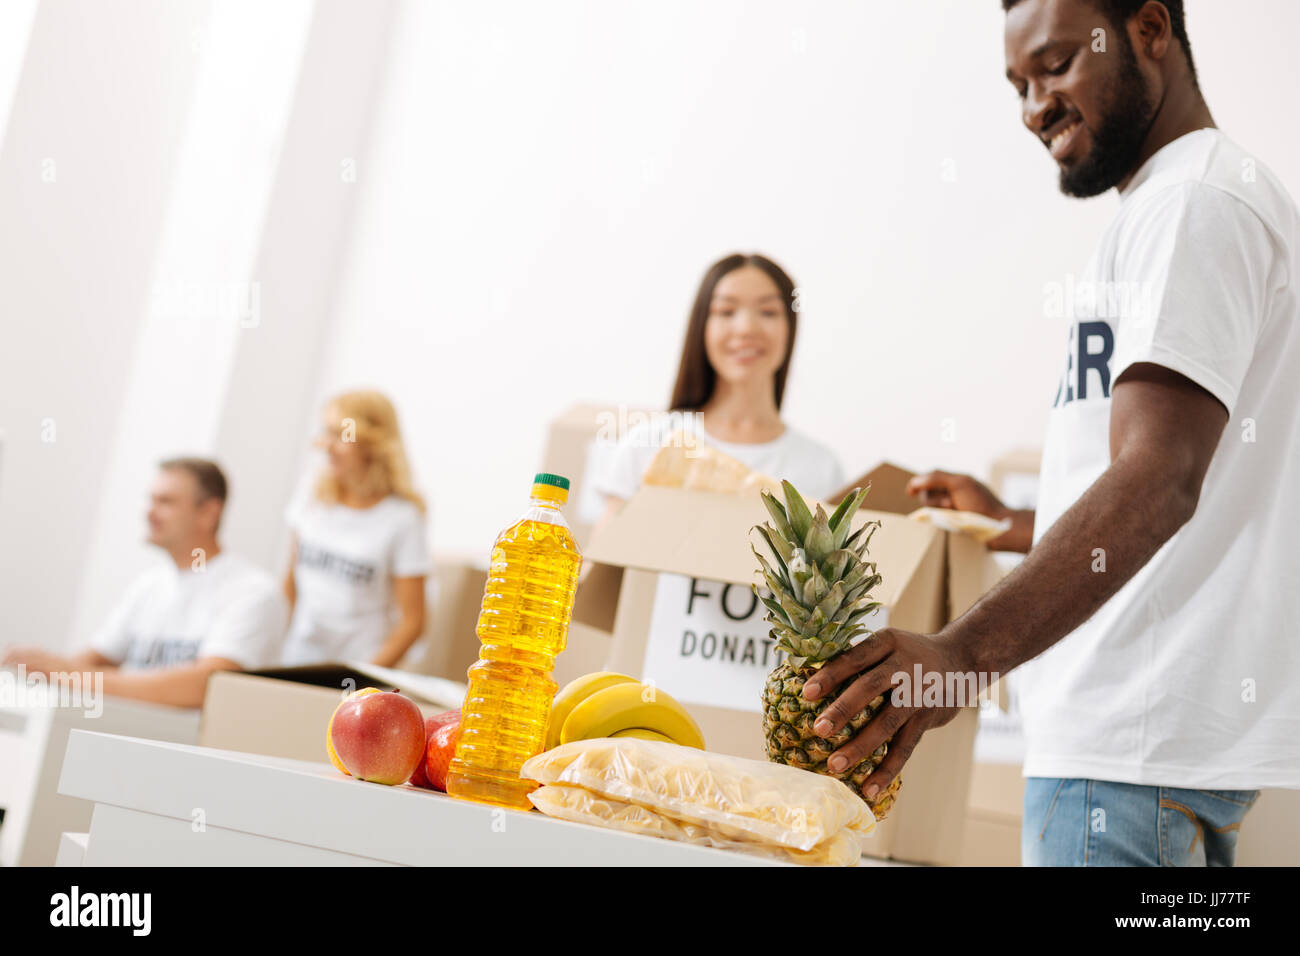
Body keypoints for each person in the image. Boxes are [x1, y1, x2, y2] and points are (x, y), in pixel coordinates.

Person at [804, 0, 1298, 866]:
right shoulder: (1190, 202)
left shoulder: (1193, 204)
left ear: (1149, 30)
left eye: (1058, 64)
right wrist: (1016, 524)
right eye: (1019, 85)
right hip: (1158, 752)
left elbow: (1159, 480)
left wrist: (958, 656)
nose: (1035, 108)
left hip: (1122, 753)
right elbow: (1196, 479)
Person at [2, 458, 287, 708]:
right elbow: (92, 661)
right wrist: (38, 666)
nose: (149, 512)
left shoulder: (252, 592)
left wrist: (72, 675)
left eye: (165, 502)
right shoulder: (149, 586)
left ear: (209, 512)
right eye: (150, 499)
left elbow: (205, 686)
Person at [592, 253, 844, 526]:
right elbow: (603, 566)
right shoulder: (650, 443)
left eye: (769, 312)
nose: (746, 328)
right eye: (726, 312)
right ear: (702, 326)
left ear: (790, 328)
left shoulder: (822, 469)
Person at [281, 390, 430, 668]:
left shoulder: (403, 519)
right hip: (297, 658)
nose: (326, 445)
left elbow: (413, 622)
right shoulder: (311, 495)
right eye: (326, 432)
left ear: (374, 443)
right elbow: (290, 585)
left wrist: (363, 684)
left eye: (340, 435)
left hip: (359, 669)